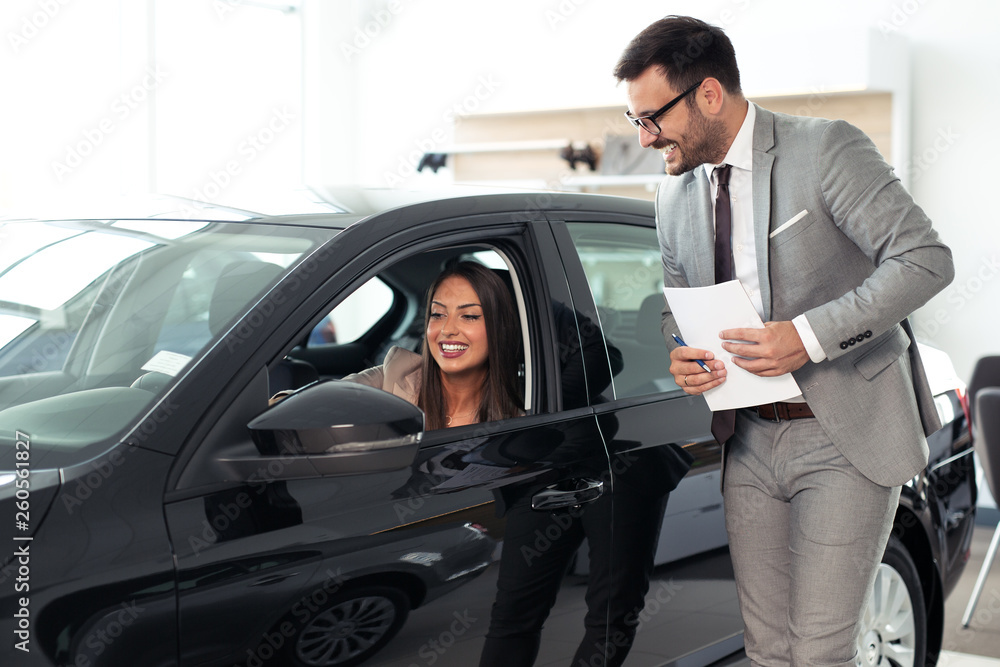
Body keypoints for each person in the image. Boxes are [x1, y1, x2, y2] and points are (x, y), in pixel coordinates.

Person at [614, 16, 953, 667]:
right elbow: (675, 307)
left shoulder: (824, 149)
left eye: (652, 117)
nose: (644, 136)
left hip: (842, 436)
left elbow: (922, 259)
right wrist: (680, 351)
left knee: (819, 651)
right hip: (746, 442)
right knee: (767, 648)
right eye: (634, 119)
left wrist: (807, 337)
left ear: (709, 94)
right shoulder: (672, 198)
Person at [342, 260, 523, 429]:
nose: (447, 329)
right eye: (438, 314)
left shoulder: (519, 423)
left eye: (469, 316)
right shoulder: (391, 378)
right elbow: (326, 406)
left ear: (500, 329)